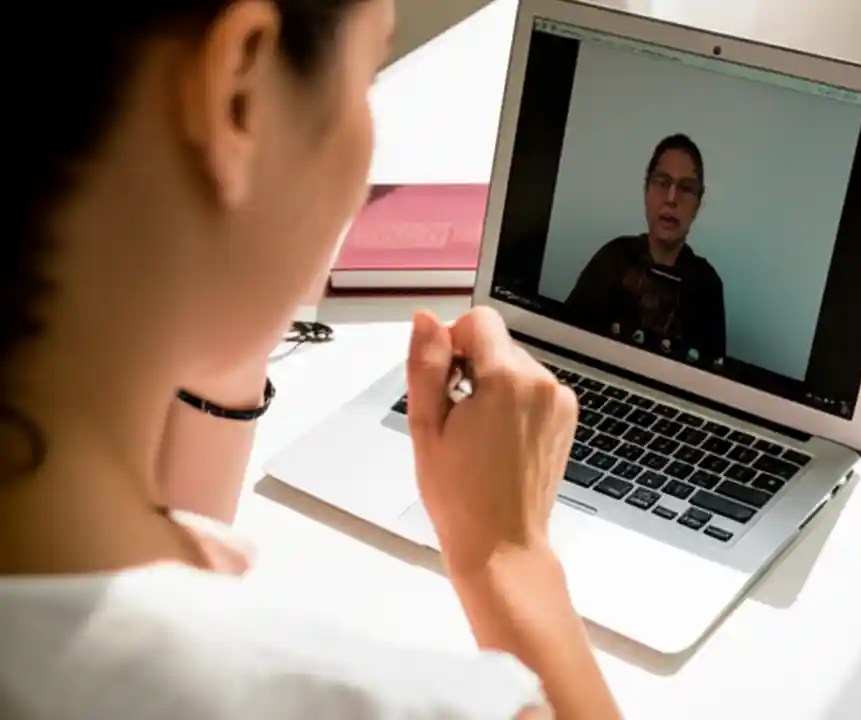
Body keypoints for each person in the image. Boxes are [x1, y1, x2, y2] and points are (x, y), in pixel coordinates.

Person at [0, 2, 619, 719]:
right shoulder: (347, 701)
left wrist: (212, 294)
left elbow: (145, 575)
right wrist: (510, 557)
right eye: (369, 75)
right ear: (240, 92)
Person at [564, 134, 727, 364]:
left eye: (686, 188)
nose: (671, 198)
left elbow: (714, 376)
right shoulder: (613, 258)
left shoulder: (706, 284)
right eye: (662, 183)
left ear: (698, 204)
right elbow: (565, 338)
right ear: (646, 191)